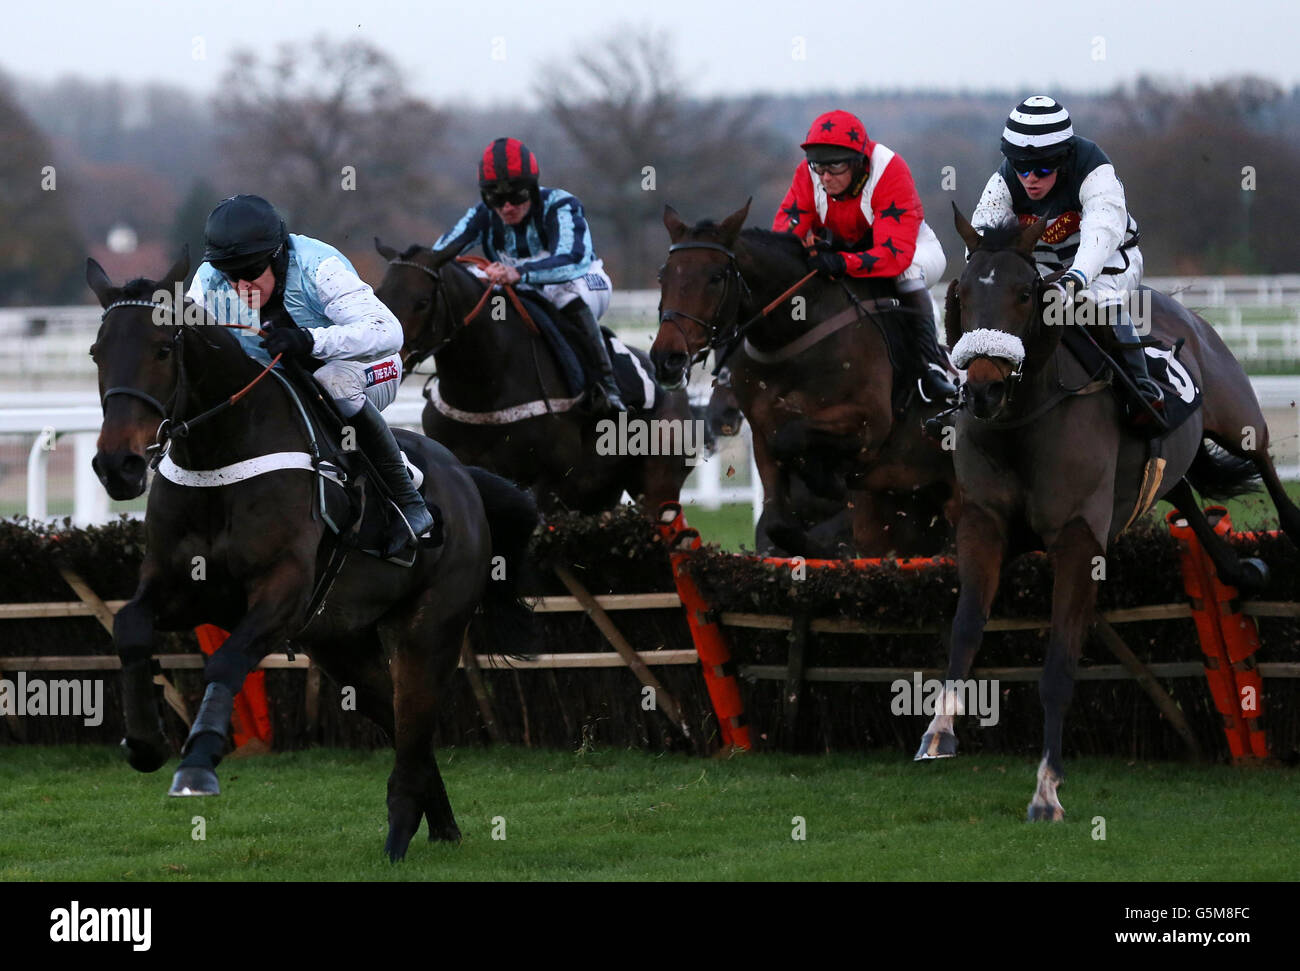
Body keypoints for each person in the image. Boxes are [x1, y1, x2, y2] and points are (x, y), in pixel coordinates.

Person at [186, 194, 436, 558]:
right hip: (285, 379)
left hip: (366, 367)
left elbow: (389, 333)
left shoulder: (318, 266)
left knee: (331, 381)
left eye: (250, 273)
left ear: (275, 256)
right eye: (231, 275)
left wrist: (309, 340)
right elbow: (188, 337)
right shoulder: (211, 276)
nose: (241, 287)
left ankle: (408, 497)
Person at [971, 95, 1163, 415]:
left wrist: (1074, 282)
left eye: (1043, 168)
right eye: (1022, 167)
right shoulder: (1003, 182)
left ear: (1063, 159)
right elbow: (981, 239)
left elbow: (1098, 236)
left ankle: (1140, 387)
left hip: (1108, 259)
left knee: (1096, 302)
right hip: (1045, 264)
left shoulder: (1094, 170)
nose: (1031, 178)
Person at [773, 109, 956, 402]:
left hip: (913, 251)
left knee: (905, 272)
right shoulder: (809, 175)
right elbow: (783, 236)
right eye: (818, 168)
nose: (824, 178)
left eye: (833, 169)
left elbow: (891, 255)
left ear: (859, 163)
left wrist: (841, 261)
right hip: (855, 252)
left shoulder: (889, 170)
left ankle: (930, 367)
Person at [433, 137, 627, 412]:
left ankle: (606, 387)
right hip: (524, 284)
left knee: (563, 295)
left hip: (581, 279)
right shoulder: (483, 214)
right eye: (495, 198)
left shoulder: (561, 204)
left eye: (516, 195)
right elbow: (440, 252)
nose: (507, 207)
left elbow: (572, 260)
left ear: (533, 188)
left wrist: (518, 273)